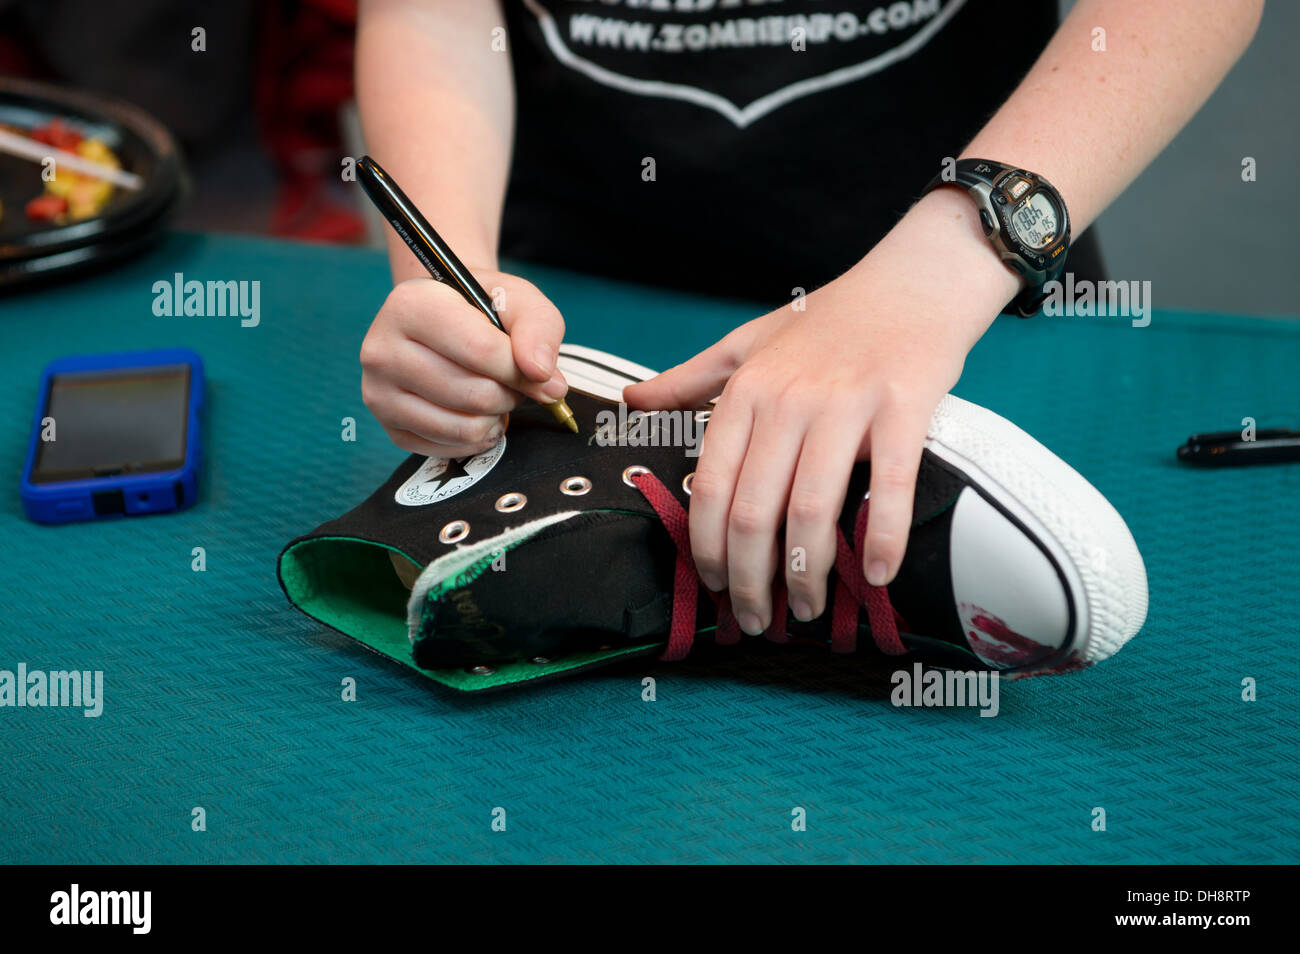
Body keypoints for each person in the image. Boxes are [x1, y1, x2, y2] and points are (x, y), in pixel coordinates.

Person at [355, 0, 1262, 637]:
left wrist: (936, 275)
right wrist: (453, 283)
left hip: (974, 283)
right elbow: (430, 13)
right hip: (583, 289)